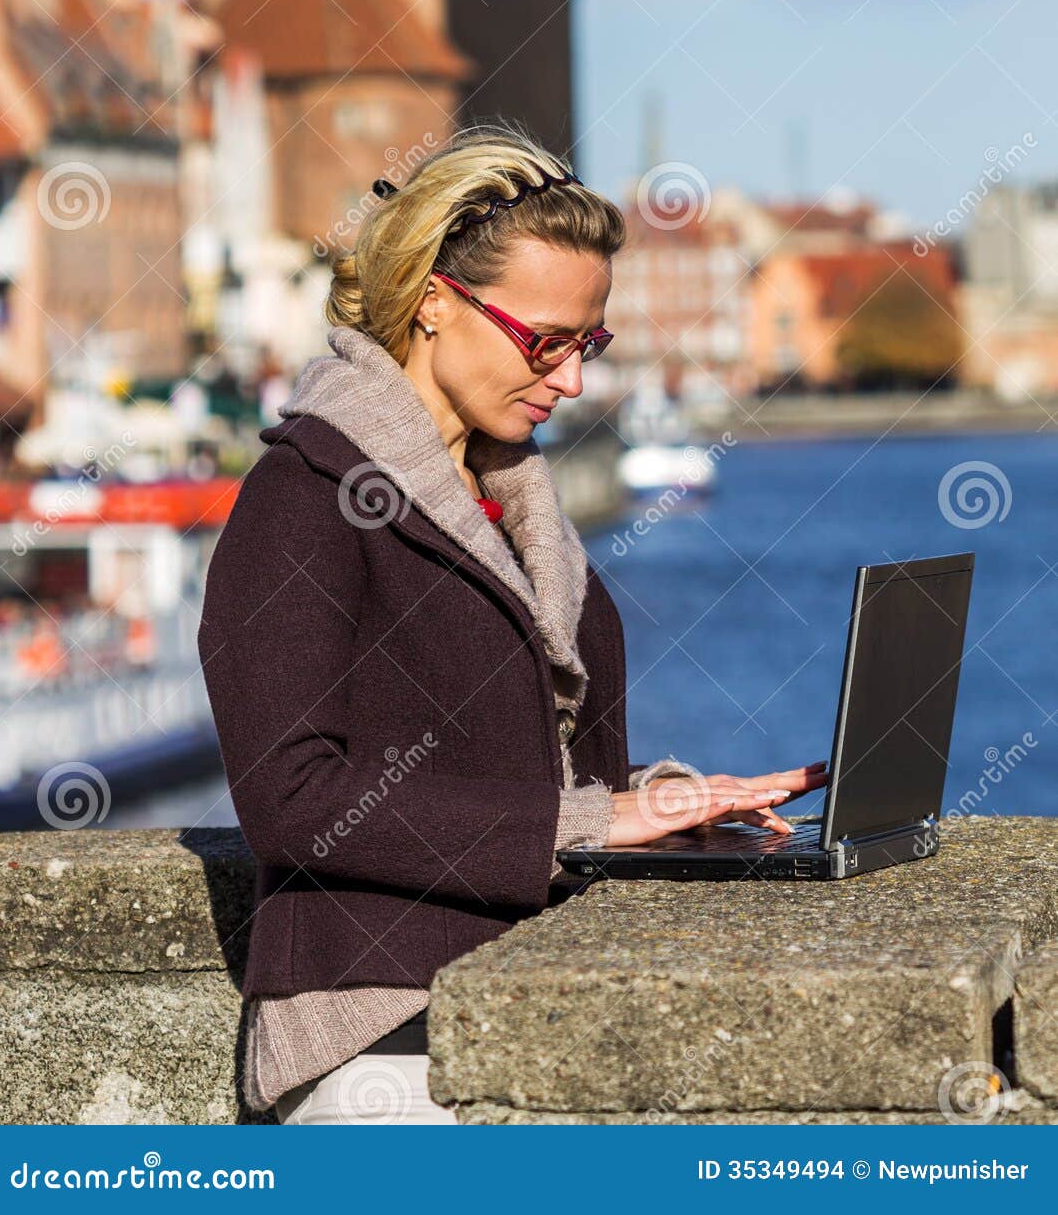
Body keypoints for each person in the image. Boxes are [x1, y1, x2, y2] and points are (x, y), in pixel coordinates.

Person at [197, 124, 827, 1125]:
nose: (571, 380)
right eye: (546, 342)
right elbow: (289, 797)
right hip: (384, 1041)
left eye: (589, 343)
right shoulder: (304, 493)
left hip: (527, 1006)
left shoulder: (503, 494)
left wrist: (666, 811)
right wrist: (594, 823)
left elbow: (531, 772)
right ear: (435, 305)